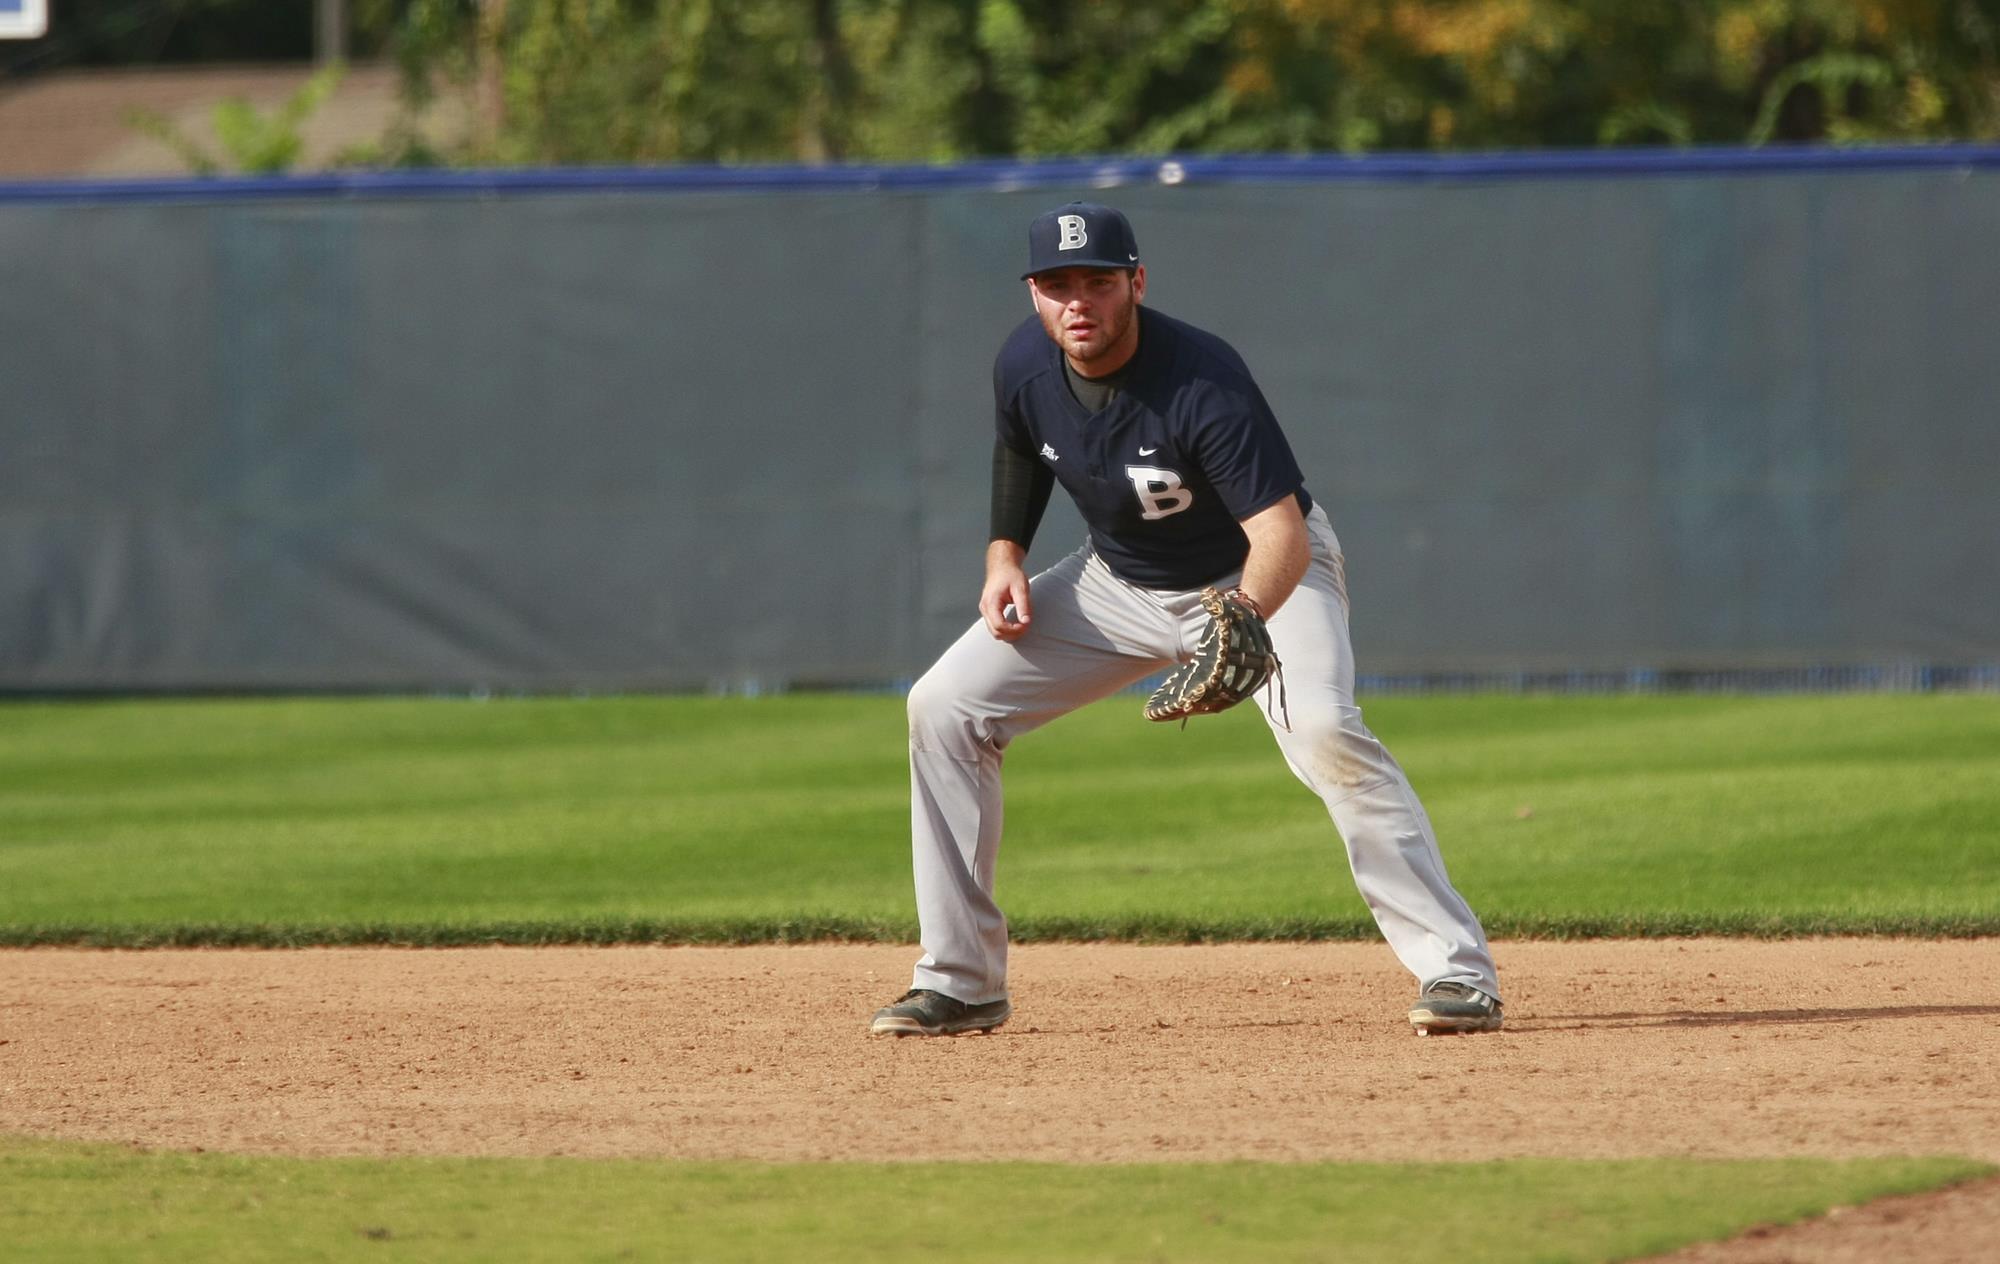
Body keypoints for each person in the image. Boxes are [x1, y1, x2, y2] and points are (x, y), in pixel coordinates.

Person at [870, 201, 1501, 1038]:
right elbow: (1020, 448)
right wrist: (1004, 557)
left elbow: (1279, 532)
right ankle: (961, 979)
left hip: (1257, 576)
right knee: (943, 707)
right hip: (1115, 585)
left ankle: (1458, 973)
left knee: (1322, 729)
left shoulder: (1201, 377)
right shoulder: (1026, 361)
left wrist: (1241, 617)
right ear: (1033, 294)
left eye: (1097, 280)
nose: (1077, 302)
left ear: (1136, 281)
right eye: (1056, 284)